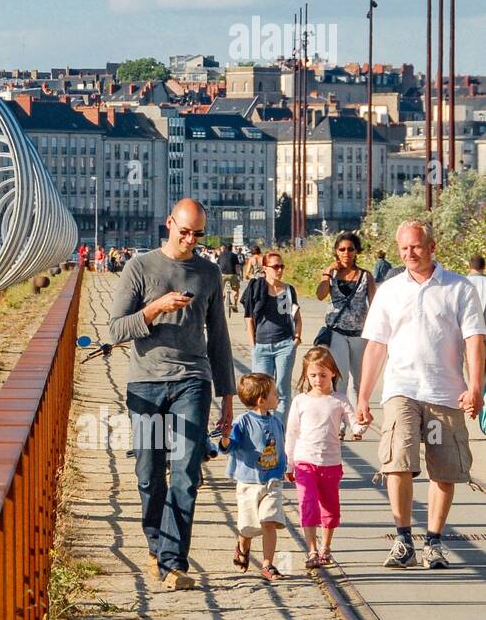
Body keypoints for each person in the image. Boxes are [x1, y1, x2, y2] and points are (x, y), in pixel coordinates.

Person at [108, 198, 236, 591]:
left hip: (192, 381)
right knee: (149, 474)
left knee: (186, 472)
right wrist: (155, 309)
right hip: (145, 381)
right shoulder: (140, 267)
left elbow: (219, 339)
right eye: (185, 231)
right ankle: (155, 546)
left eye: (198, 234)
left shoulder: (209, 273)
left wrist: (227, 397)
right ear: (169, 223)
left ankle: (173, 562)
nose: (191, 240)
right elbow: (116, 330)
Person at [356, 219, 486, 569]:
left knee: (444, 471)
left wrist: (475, 387)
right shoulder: (390, 290)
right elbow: (376, 346)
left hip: (445, 392)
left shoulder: (459, 288)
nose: (409, 254)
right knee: (397, 461)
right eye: (403, 248)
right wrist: (364, 397)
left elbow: (475, 340)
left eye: (415, 247)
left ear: (432, 247)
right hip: (402, 389)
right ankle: (402, 540)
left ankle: (434, 542)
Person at [285, 346, 364, 570]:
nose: (318, 380)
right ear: (305, 376)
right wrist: (288, 462)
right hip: (304, 461)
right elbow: (292, 433)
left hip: (330, 463)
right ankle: (311, 549)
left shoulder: (339, 400)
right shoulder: (300, 401)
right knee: (307, 504)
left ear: (333, 373)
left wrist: (361, 427)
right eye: (312, 375)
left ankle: (326, 547)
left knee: (330, 508)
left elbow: (354, 425)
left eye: (322, 374)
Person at [220, 372, 289, 581]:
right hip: (248, 482)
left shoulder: (276, 421)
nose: (278, 397)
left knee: (269, 521)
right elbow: (229, 447)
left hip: (272, 482)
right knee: (248, 526)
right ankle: (243, 543)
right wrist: (224, 437)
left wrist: (286, 467)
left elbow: (281, 448)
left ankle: (268, 564)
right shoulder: (243, 422)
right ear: (261, 400)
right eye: (274, 394)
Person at [241, 249, 302, 422]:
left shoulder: (288, 290)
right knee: (260, 390)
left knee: (282, 391)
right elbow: (249, 318)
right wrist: (253, 344)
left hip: (284, 345)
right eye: (275, 266)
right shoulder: (256, 288)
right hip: (262, 346)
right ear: (265, 268)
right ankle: (264, 429)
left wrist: (296, 339)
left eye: (282, 266)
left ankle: (280, 431)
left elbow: (296, 316)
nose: (279, 270)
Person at [314, 232, 375, 404]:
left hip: (359, 334)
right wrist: (327, 272)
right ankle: (340, 424)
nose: (346, 253)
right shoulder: (332, 275)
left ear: (356, 252)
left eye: (350, 249)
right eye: (342, 249)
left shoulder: (365, 276)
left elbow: (375, 305)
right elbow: (320, 295)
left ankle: (357, 424)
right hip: (337, 332)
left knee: (357, 382)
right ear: (336, 252)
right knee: (340, 379)